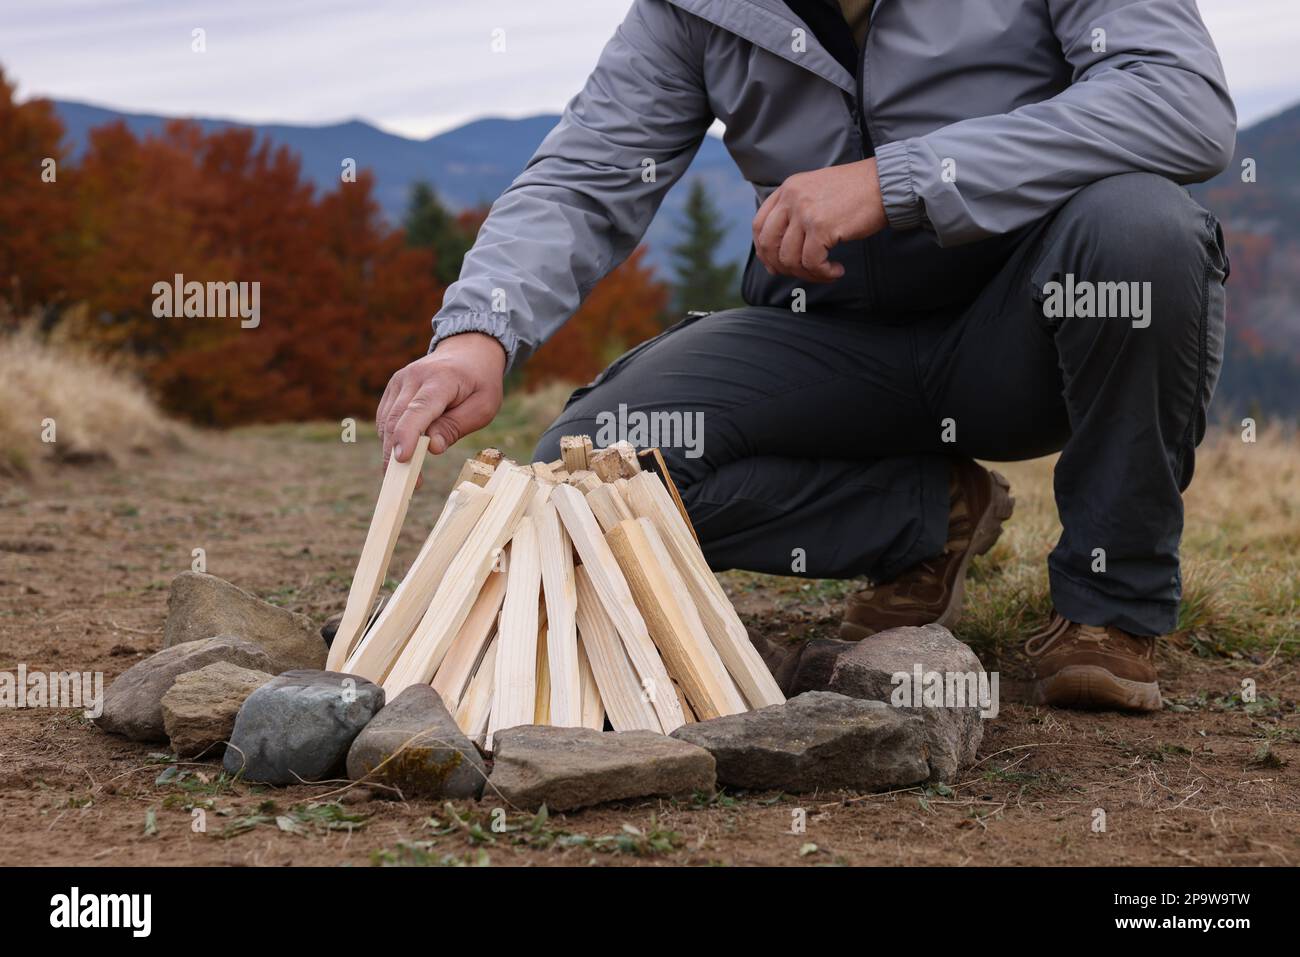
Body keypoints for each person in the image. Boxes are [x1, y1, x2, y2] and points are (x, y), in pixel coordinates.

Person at [376, 0, 1235, 712]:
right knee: (598, 472)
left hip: (1025, 331)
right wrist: (476, 335)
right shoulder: (691, 9)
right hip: (829, 336)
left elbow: (1179, 103)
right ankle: (926, 514)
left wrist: (900, 178)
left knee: (1144, 232)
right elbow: (588, 172)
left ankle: (1109, 608)